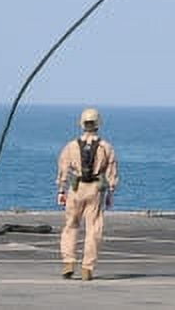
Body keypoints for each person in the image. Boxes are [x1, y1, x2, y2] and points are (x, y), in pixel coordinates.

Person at [56, 107, 119, 281]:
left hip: (76, 188)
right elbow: (111, 172)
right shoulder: (106, 147)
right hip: (95, 190)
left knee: (71, 225)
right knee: (94, 228)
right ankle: (87, 268)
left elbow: (63, 169)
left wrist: (61, 190)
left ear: (81, 124)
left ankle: (68, 262)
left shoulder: (71, 146)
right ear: (98, 124)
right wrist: (111, 192)